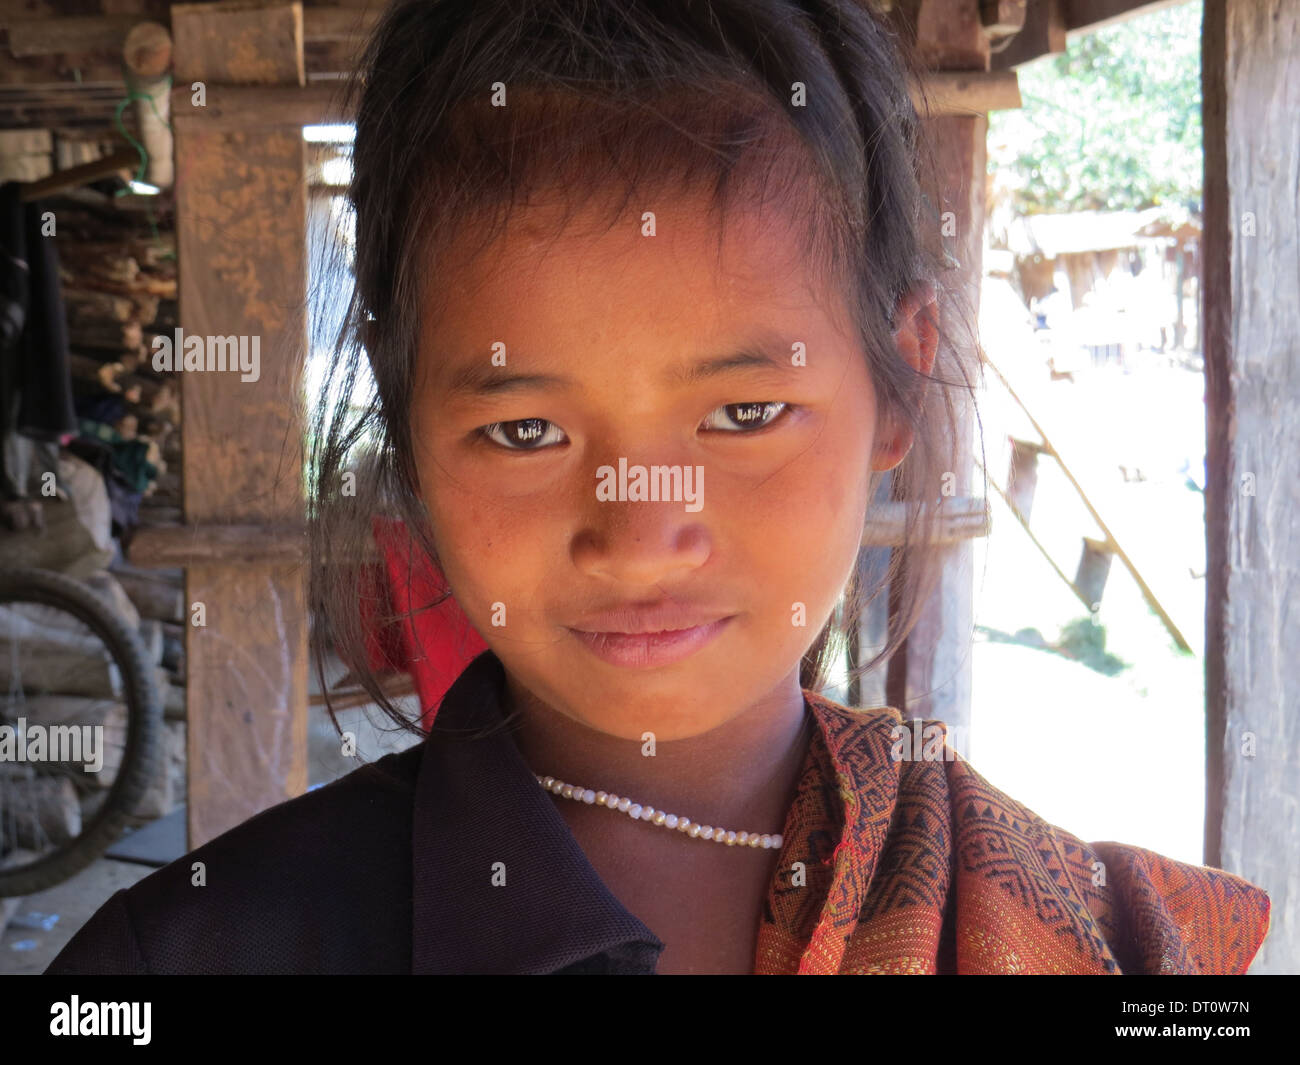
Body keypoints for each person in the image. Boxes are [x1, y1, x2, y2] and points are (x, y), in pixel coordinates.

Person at [47, 0, 1268, 975]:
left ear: (898, 383)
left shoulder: (1092, 940)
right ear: (411, 430)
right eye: (524, 428)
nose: (636, 538)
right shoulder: (185, 958)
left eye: (743, 413)